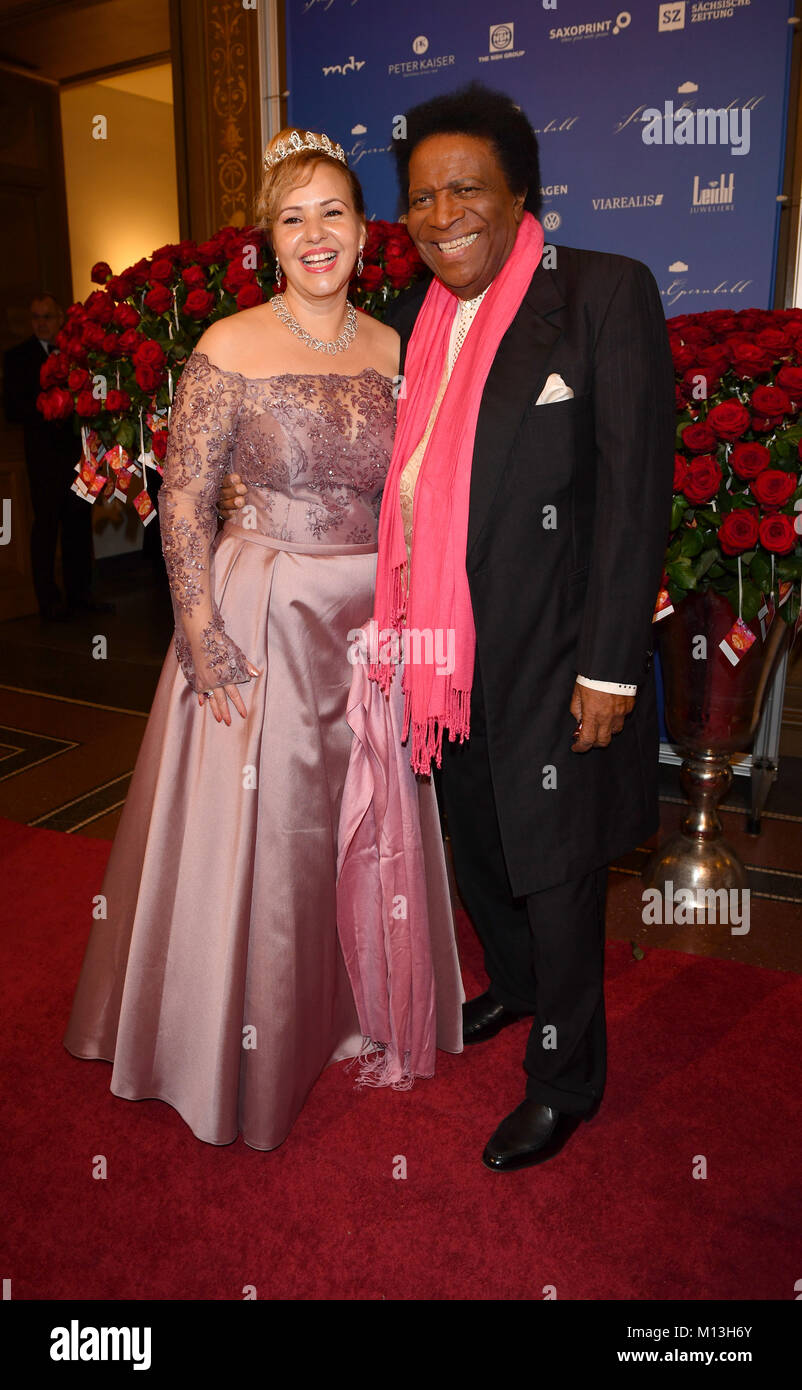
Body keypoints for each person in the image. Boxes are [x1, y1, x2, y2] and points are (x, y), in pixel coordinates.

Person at [221, 82, 676, 1173]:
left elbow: (633, 494)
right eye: (421, 197)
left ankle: (565, 1076)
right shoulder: (420, 323)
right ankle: (515, 990)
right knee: (477, 839)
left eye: (465, 188)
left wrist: (611, 665)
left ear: (521, 192)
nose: (441, 214)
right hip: (439, 655)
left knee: (555, 862)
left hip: (556, 652)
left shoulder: (603, 295)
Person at [63, 128, 463, 1151]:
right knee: (264, 828)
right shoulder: (228, 345)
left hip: (366, 622)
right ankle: (223, 1039)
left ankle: (346, 1007)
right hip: (259, 607)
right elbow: (185, 500)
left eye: (332, 211)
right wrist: (200, 635)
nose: (315, 233)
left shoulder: (396, 347)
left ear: (366, 234)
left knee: (356, 819)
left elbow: (417, 501)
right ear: (268, 246)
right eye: (293, 218)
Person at [2, 293, 105, 620]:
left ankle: (81, 594)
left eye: (46, 316)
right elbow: (12, 410)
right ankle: (47, 600)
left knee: (79, 523)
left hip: (79, 453)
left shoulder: (79, 354)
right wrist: (48, 405)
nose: (40, 323)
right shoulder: (17, 357)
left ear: (60, 318)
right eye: (35, 317)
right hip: (44, 457)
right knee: (46, 526)